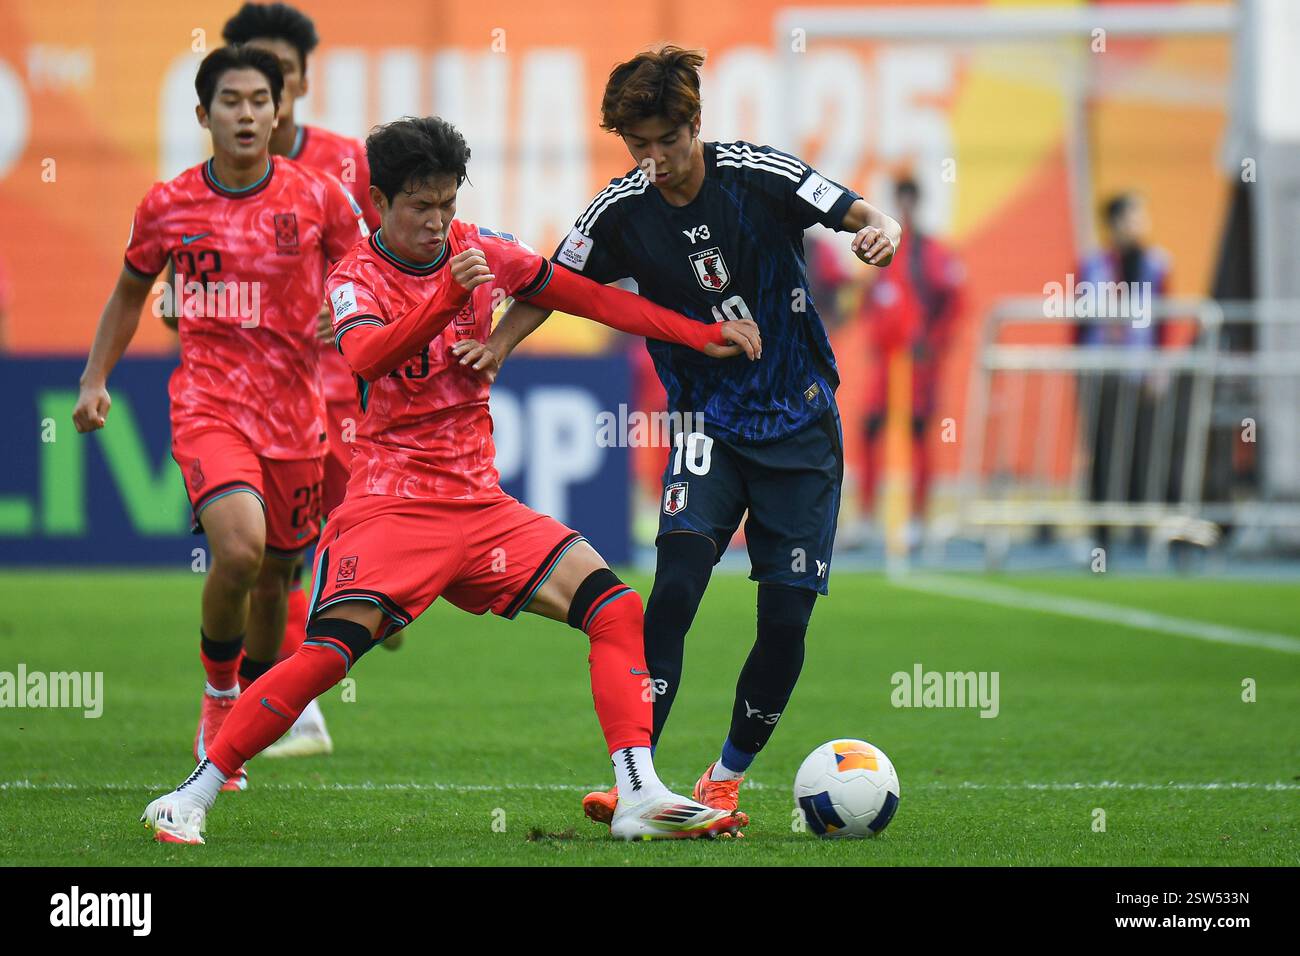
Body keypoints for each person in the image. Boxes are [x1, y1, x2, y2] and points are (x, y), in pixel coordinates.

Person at [139, 115, 763, 844]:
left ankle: (637, 792)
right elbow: (367, 356)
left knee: (617, 606)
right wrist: (442, 301)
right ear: (378, 202)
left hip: (482, 508)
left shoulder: (478, 249)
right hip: (392, 507)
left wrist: (698, 331)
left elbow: (585, 295)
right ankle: (194, 791)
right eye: (420, 207)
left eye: (447, 204)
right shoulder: (353, 279)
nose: (438, 222)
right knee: (325, 658)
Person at [477, 46, 901, 830]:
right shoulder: (621, 211)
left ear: (695, 125)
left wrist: (882, 229)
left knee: (783, 624)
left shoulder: (758, 174)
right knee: (671, 590)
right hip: (706, 425)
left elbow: (860, 213)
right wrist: (499, 348)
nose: (654, 161)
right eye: (637, 145)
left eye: (666, 142)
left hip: (802, 427)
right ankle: (637, 781)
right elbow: (554, 282)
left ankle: (727, 776)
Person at [74, 45, 369, 792]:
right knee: (238, 554)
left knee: (274, 580)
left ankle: (251, 712)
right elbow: (130, 293)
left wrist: (352, 312)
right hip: (209, 408)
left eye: (258, 101)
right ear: (203, 115)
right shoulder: (168, 204)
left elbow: (362, 269)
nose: (245, 113)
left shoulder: (318, 199)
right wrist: (94, 378)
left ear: (279, 110)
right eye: (230, 102)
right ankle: (216, 702)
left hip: (299, 418)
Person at [221, 0, 387, 759]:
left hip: (348, 387)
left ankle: (368, 618)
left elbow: (389, 255)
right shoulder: (215, 179)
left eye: (279, 76)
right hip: (259, 396)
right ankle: (274, 708)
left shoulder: (350, 164)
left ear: (301, 82)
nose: (265, 93)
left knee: (346, 543)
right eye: (249, 79)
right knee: (268, 556)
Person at [859, 177, 964, 540]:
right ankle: (867, 518)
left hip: (918, 364)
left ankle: (917, 519)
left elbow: (955, 304)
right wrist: (875, 336)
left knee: (918, 432)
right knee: (870, 427)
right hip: (887, 363)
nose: (903, 208)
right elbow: (872, 300)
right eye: (898, 200)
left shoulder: (933, 253)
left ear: (917, 204)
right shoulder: (883, 248)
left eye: (909, 200)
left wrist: (932, 344)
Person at [1075, 192, 1171, 548]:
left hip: (1138, 371)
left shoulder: (1156, 264)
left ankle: (1140, 529)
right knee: (1101, 451)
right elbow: (1078, 322)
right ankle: (1101, 533)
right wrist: (1078, 370)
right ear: (1114, 224)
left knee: (1141, 449)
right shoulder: (1093, 265)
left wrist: (1159, 367)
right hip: (1100, 371)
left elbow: (1165, 322)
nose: (1140, 225)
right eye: (1133, 217)